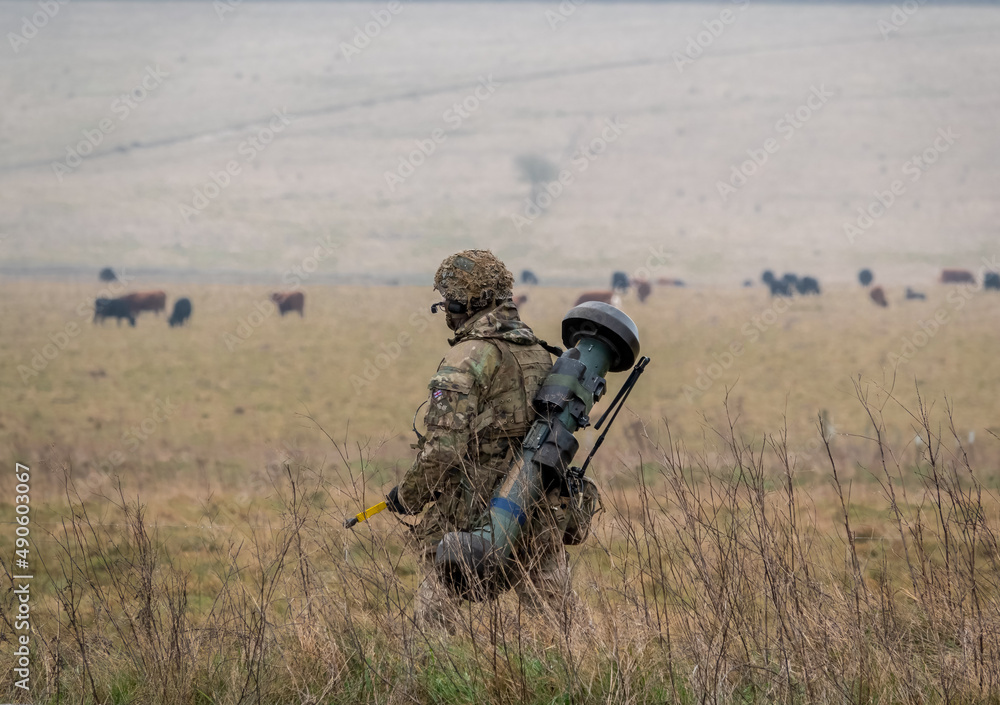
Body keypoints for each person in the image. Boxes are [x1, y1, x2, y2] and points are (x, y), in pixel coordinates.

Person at [384, 249, 573, 630]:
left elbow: (443, 450)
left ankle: (428, 689)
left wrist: (408, 496)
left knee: (434, 619)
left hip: (473, 509)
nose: (447, 312)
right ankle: (585, 685)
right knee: (558, 619)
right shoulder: (539, 352)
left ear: (465, 302)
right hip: (536, 498)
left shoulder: (467, 359)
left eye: (449, 302)